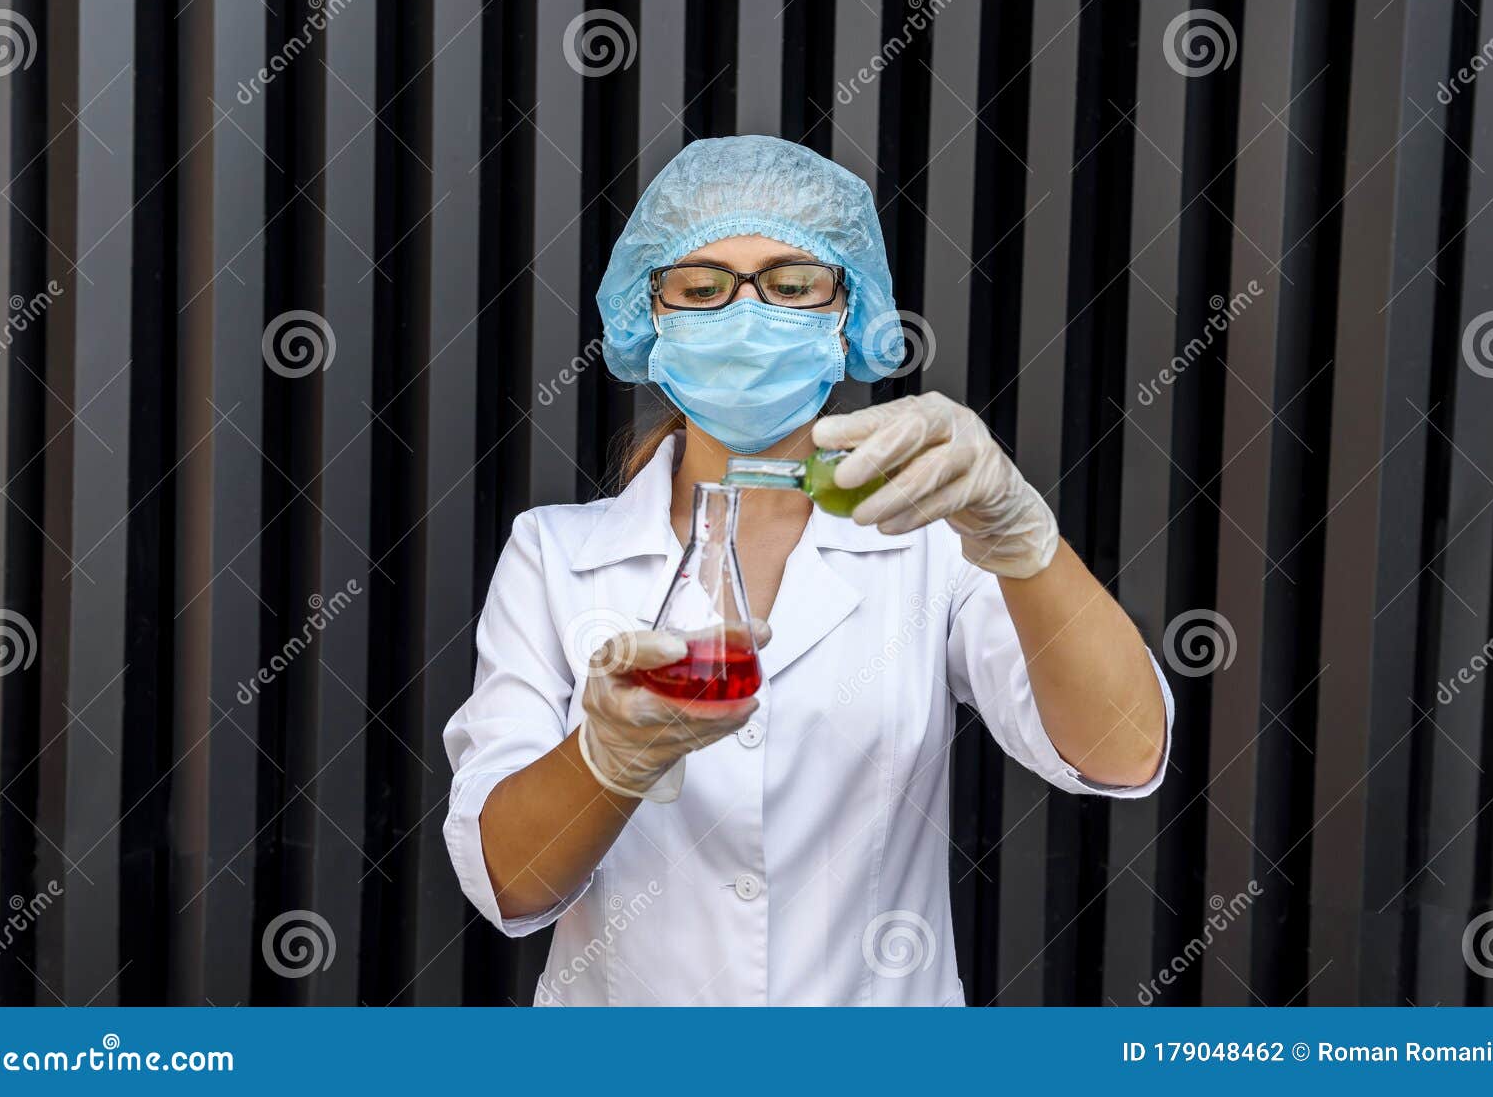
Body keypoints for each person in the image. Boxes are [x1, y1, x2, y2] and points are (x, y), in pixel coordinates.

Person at [442, 135, 1172, 1005]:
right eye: (702, 287)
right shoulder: (555, 554)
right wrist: (609, 758)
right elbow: (512, 884)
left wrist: (1019, 536)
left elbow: (1124, 753)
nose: (745, 315)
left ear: (847, 312)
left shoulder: (934, 545)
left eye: (791, 285)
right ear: (652, 315)